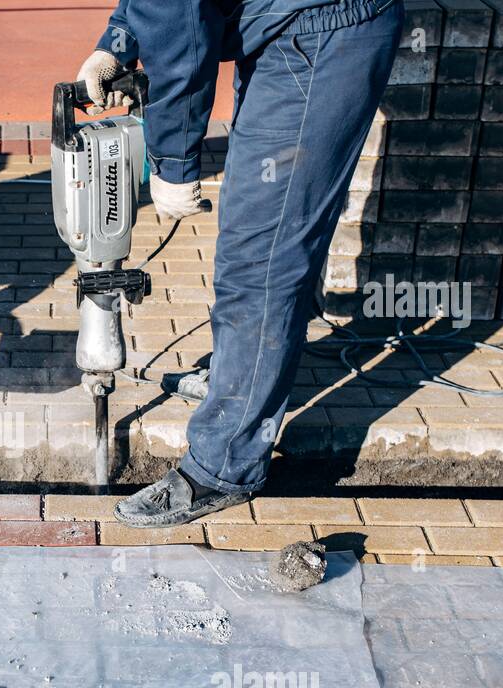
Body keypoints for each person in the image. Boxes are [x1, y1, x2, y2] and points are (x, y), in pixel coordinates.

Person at [76, 0, 402, 526]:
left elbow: (179, 18)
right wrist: (115, 44)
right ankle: (239, 381)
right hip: (288, 29)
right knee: (263, 235)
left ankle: (224, 464)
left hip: (321, 34)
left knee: (261, 253)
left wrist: (175, 160)